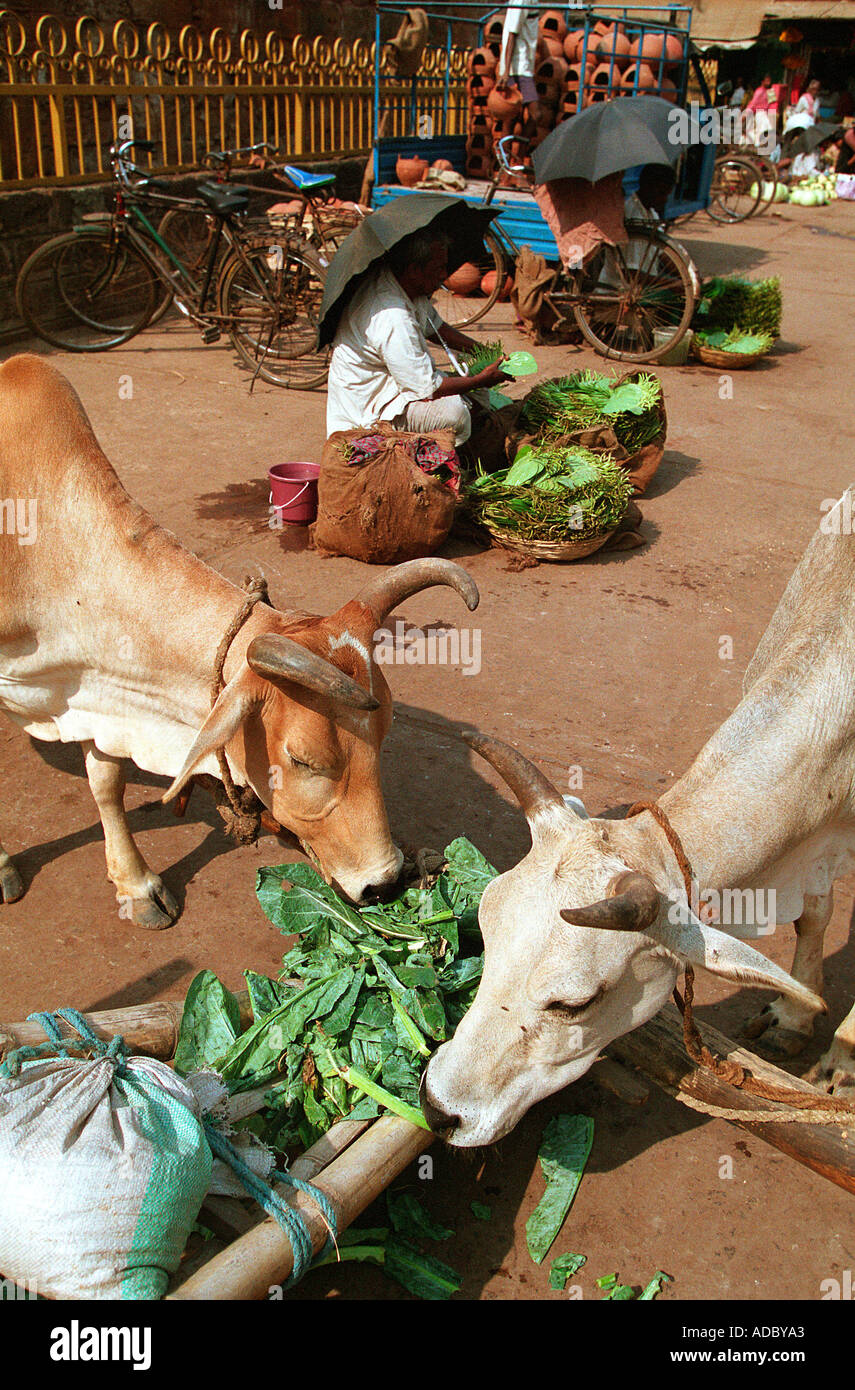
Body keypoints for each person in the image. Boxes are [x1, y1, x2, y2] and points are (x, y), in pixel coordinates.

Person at [326, 229, 509, 446]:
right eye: (438, 268)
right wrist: (481, 379)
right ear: (414, 269)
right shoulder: (392, 317)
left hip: (394, 386)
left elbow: (436, 327)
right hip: (370, 409)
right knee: (454, 414)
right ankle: (434, 456)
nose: (444, 275)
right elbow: (427, 388)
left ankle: (463, 445)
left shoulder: (408, 284)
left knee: (478, 395)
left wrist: (485, 352)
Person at [496, 6, 540, 105]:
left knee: (514, 114)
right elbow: (512, 35)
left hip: (522, 65)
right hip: (519, 66)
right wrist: (506, 72)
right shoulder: (521, 2)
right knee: (536, 114)